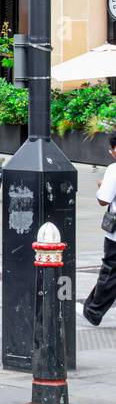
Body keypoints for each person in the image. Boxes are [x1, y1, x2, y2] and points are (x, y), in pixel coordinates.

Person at [83, 136, 116, 326]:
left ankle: (93, 311)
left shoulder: (114, 169)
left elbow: (104, 199)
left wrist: (100, 187)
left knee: (110, 270)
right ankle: (92, 308)